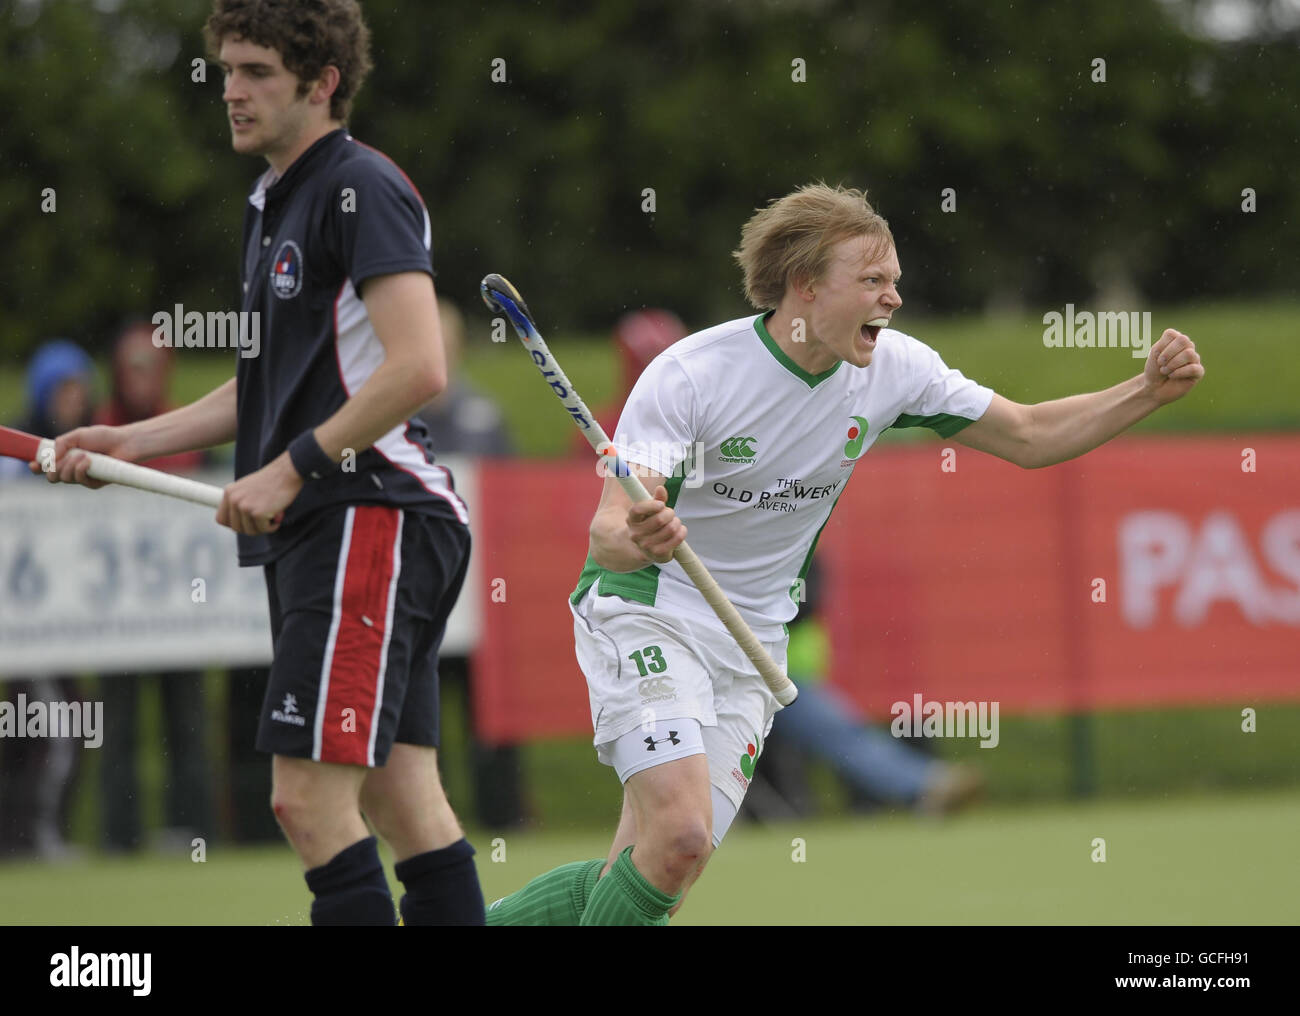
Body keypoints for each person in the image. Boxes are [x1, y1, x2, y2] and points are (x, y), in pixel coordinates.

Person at [485, 182, 1204, 925]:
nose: (893, 298)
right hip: (647, 612)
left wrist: (1145, 391)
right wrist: (642, 534)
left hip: (750, 642)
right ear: (805, 287)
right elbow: (609, 532)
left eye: (894, 280)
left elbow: (1026, 434)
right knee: (681, 832)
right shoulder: (693, 374)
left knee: (663, 860)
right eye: (872, 280)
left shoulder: (894, 368)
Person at [38, 0, 483, 925]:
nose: (230, 92)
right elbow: (271, 386)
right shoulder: (275, 200)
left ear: (321, 85)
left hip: (372, 512)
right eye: (227, 71)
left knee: (304, 801)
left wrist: (293, 470)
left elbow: (418, 368)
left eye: (256, 75)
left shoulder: (360, 187)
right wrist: (134, 440)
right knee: (405, 799)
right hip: (346, 519)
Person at [95, 321, 215, 853]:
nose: (140, 380)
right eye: (132, 368)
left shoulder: (180, 429)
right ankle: (120, 837)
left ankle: (195, 830)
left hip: (179, 609)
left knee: (186, 721)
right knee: (117, 723)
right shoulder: (100, 428)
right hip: (114, 612)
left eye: (150, 368)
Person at [0, 340, 97, 860]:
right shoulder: (15, 456)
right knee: (50, 728)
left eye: (80, 389)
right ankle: (30, 838)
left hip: (67, 623)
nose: (73, 400)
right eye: (63, 390)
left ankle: (26, 838)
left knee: (57, 725)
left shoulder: (92, 454)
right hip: (22, 626)